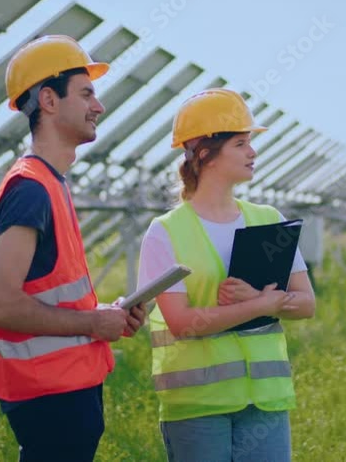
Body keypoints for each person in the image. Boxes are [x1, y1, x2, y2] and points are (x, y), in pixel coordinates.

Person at [0, 35, 147, 462]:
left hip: (61, 392)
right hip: (48, 396)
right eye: (86, 93)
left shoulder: (50, 184)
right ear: (48, 100)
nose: (97, 106)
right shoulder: (31, 189)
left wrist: (107, 316)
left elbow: (47, 291)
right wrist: (91, 322)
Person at [138, 89, 316, 462]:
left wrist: (257, 300)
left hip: (265, 402)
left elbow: (306, 303)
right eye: (240, 143)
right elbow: (182, 323)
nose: (252, 152)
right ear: (205, 153)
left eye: (249, 142)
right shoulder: (165, 231)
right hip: (197, 405)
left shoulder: (269, 219)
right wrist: (261, 305)